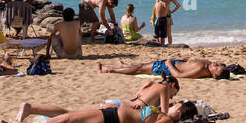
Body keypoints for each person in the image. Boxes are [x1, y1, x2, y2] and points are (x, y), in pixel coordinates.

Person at [1, 94, 189, 123]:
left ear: (179, 112)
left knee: (67, 121)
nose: (174, 104)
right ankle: (30, 109)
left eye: (177, 105)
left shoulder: (165, 122)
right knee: (70, 116)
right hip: (111, 113)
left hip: (111, 121)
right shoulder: (163, 115)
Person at [98, 56, 236, 80]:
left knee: (140, 68)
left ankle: (109, 69)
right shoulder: (207, 63)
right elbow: (189, 61)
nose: (215, 64)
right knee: (143, 65)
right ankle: (126, 66)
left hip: (167, 67)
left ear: (214, 75)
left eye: (216, 67)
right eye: (218, 64)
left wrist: (170, 64)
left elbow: (179, 76)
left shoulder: (201, 70)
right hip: (174, 62)